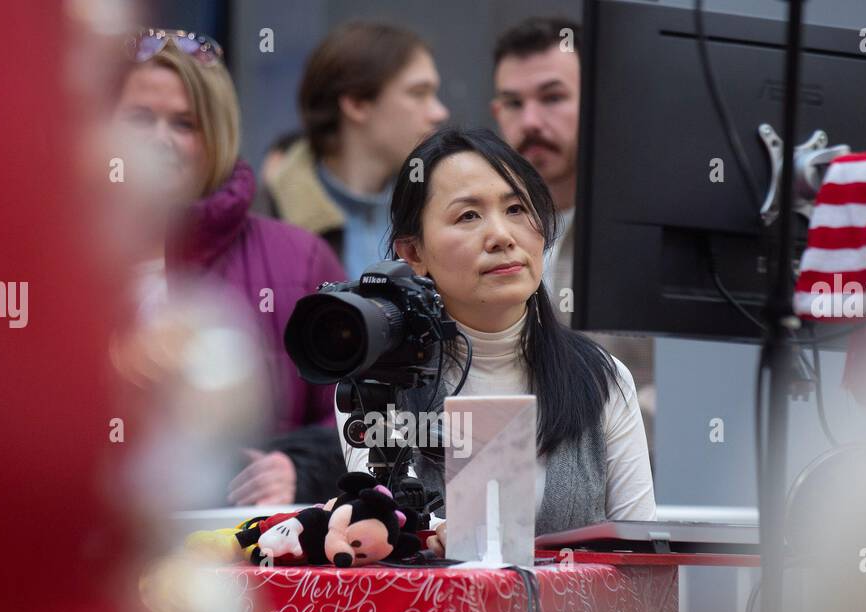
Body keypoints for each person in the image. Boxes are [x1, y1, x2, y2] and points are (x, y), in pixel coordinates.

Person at [338, 128, 656, 553]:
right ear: (413, 253)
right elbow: (377, 531)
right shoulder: (376, 382)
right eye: (468, 216)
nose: (502, 236)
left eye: (516, 209)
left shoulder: (603, 379)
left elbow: (642, 559)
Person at [114, 30, 348, 506]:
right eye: (140, 119)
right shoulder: (54, 262)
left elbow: (360, 416)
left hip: (250, 560)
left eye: (185, 123)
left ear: (217, 134)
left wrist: (303, 468)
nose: (161, 141)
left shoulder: (300, 258)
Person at [490, 16, 657, 457]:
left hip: (631, 496)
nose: (530, 121)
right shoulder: (481, 233)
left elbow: (684, 400)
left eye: (553, 98)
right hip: (498, 496)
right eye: (513, 103)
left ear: (599, 100)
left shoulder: (650, 228)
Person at [252, 20, 450, 280]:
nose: (439, 112)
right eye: (418, 93)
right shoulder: (265, 219)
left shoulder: (439, 203)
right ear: (356, 103)